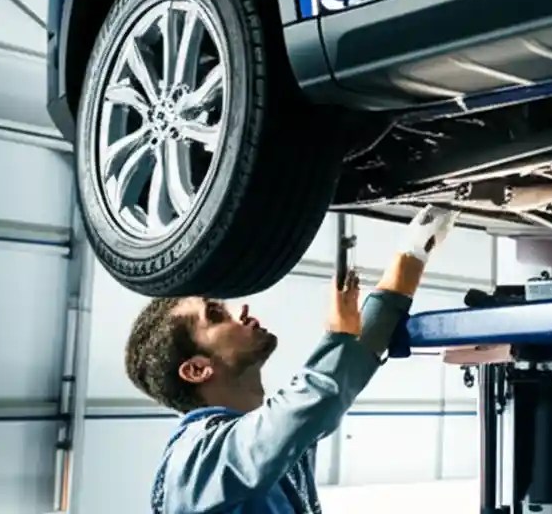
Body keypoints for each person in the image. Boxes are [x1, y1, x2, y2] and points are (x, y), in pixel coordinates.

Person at [124, 206, 460, 514]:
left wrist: (415, 249)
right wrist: (339, 337)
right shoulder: (190, 466)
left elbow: (343, 372)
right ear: (197, 369)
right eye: (215, 315)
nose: (240, 309)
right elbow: (317, 399)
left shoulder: (268, 444)